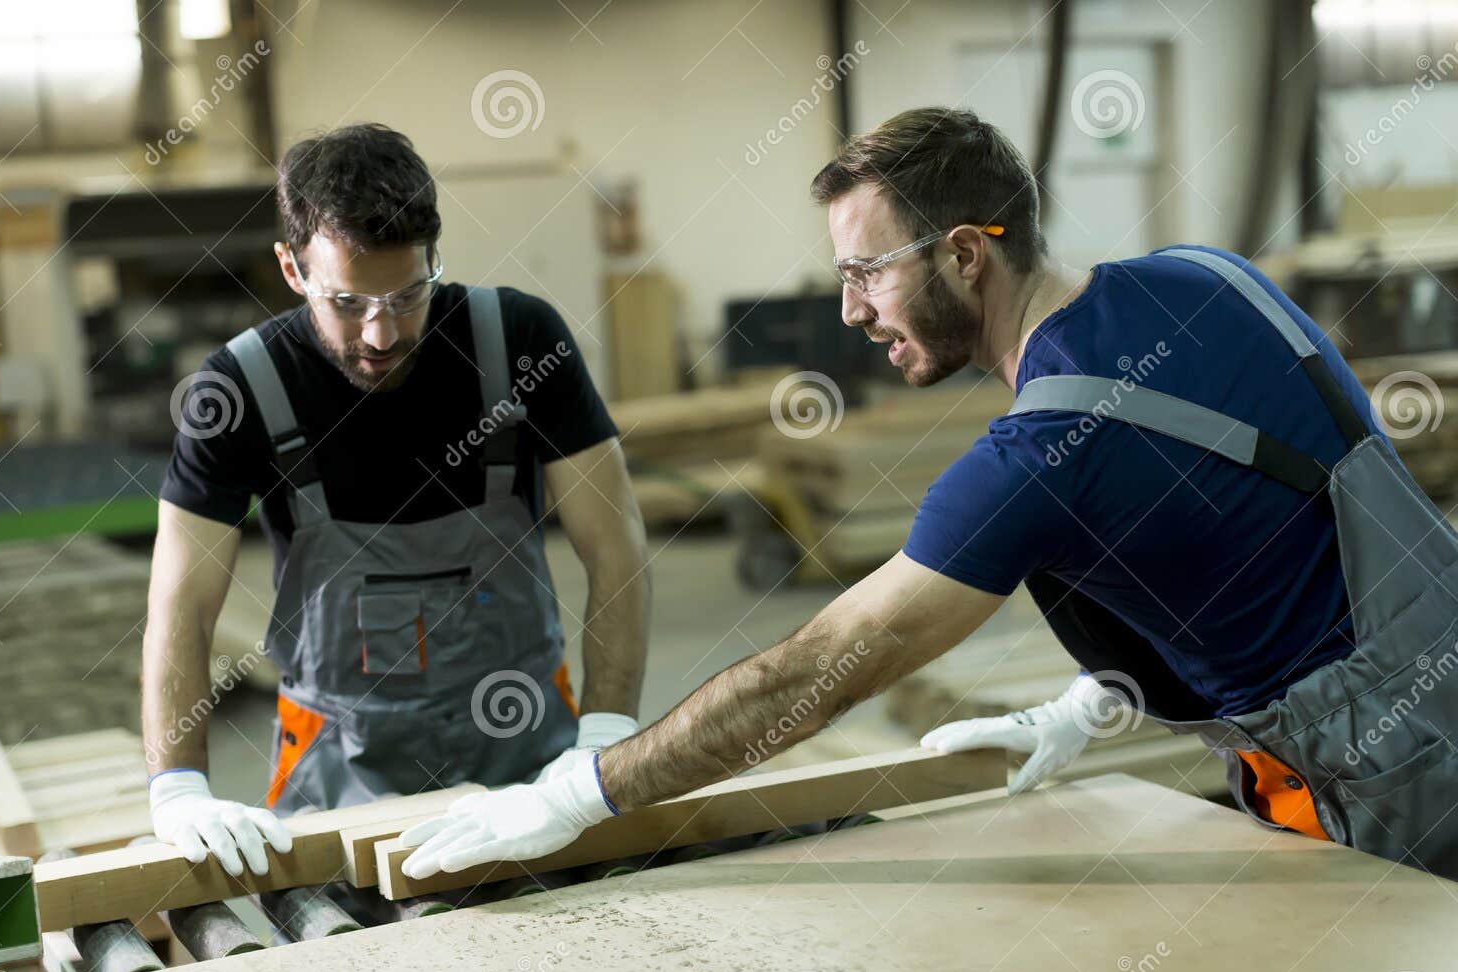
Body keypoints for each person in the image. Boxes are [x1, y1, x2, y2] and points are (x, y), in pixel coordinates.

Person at [401, 106, 1458, 884]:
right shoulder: (1209, 277)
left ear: (962, 255)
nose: (851, 310)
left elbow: (808, 678)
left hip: (1389, 786)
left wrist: (577, 791)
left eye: (867, 274)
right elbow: (1244, 526)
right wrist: (1095, 698)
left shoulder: (1036, 460)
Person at [142, 124, 650, 909]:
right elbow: (181, 600)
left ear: (434, 257)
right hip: (337, 779)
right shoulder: (236, 390)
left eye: (407, 294)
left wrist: (607, 734)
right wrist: (178, 786)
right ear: (290, 268)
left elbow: (615, 548)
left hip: (526, 762)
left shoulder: (519, 343)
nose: (381, 333)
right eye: (347, 302)